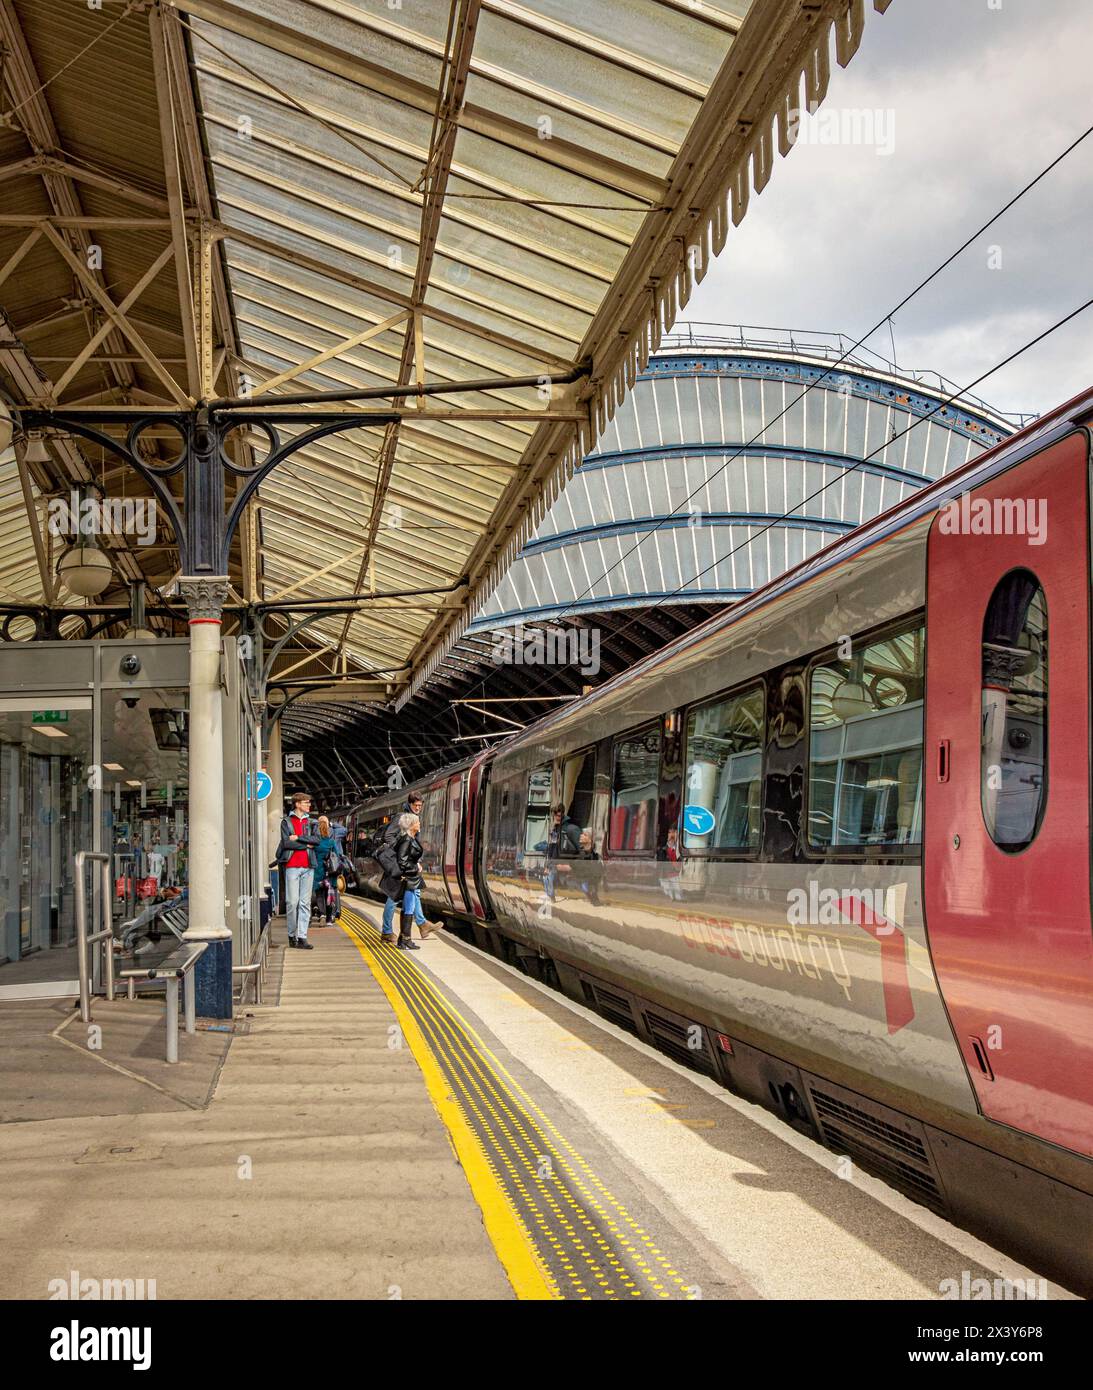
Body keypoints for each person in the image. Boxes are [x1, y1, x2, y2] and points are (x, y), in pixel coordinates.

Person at [378, 793, 441, 943]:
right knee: (393, 897)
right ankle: (387, 931)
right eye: (415, 806)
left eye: (420, 805)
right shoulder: (402, 817)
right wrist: (402, 850)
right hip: (401, 865)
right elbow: (388, 836)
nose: (418, 808)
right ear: (410, 804)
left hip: (410, 863)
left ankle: (422, 924)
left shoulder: (414, 818)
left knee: (415, 893)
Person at [379, 811, 427, 951]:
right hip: (408, 879)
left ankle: (404, 939)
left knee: (408, 908)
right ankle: (405, 940)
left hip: (410, 879)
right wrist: (415, 867)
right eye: (417, 822)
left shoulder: (408, 838)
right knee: (408, 908)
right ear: (412, 825)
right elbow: (402, 861)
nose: (419, 824)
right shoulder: (406, 839)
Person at [277, 791, 319, 949]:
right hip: (292, 867)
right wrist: (306, 844)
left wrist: (299, 838)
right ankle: (291, 935)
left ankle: (302, 936)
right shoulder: (286, 822)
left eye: (309, 802)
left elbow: (316, 841)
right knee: (291, 902)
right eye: (306, 802)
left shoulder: (313, 822)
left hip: (308, 866)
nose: (309, 804)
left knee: (304, 903)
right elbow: (286, 843)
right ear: (297, 804)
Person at [314, 815, 341, 926]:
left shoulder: (315, 842)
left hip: (318, 871)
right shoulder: (331, 842)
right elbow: (337, 855)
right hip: (330, 872)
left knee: (320, 894)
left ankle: (322, 915)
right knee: (329, 894)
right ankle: (329, 919)